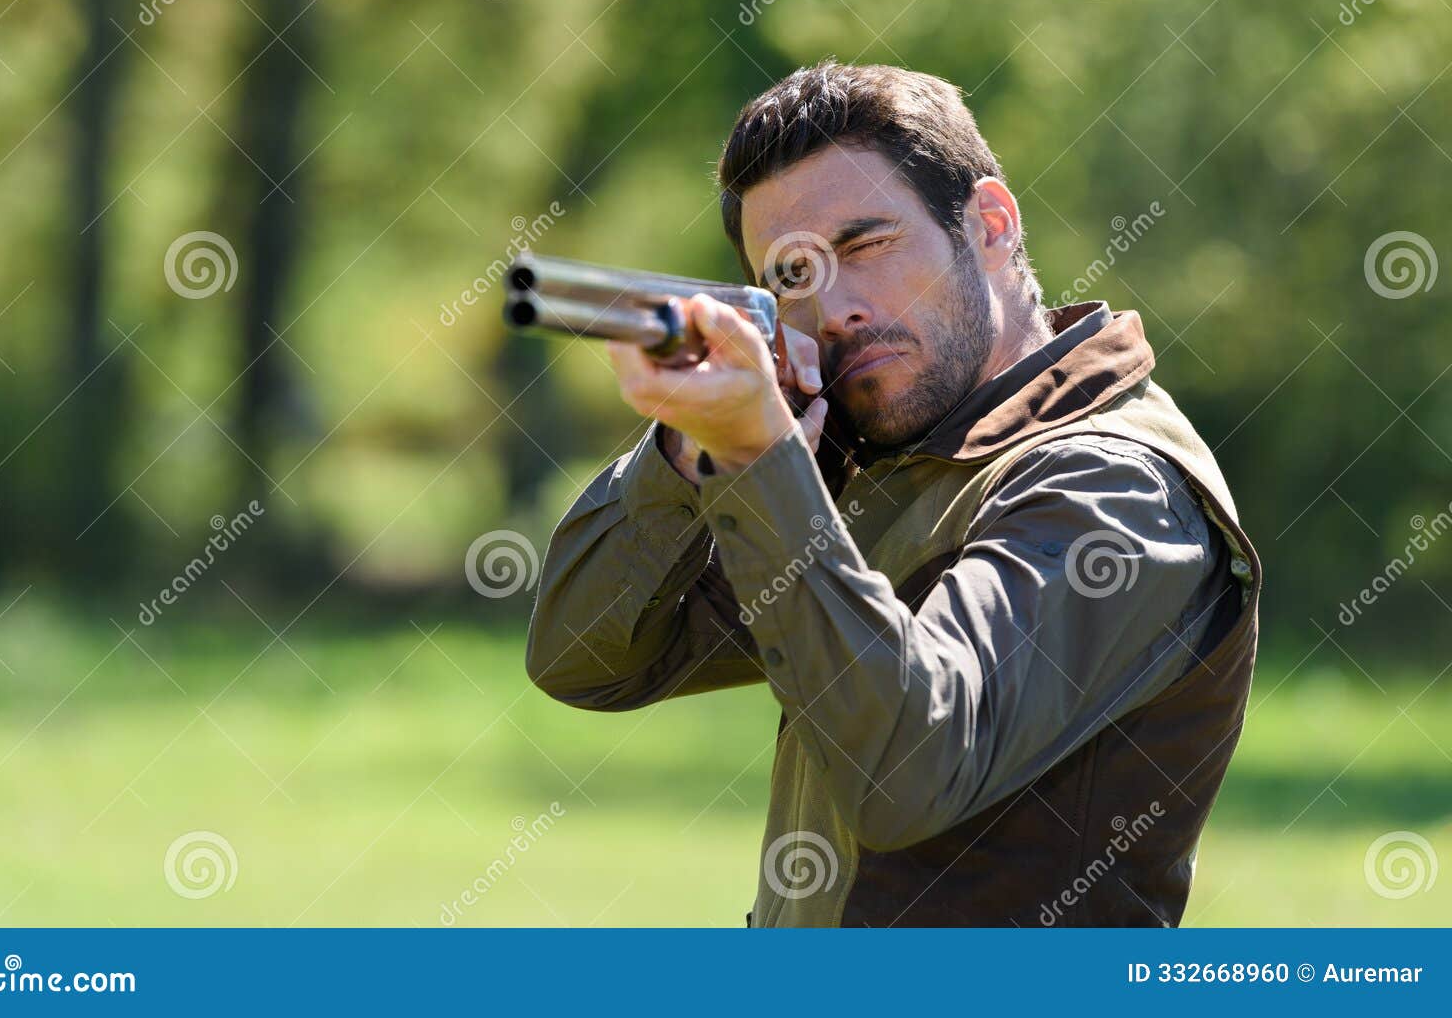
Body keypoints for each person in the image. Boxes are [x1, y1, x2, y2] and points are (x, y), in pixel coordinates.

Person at [524, 61, 1261, 927]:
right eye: (793, 276)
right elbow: (587, 660)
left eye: (868, 246)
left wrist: (761, 459)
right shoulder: (873, 463)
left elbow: (909, 771)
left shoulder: (1114, 485)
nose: (836, 308)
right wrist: (691, 454)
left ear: (989, 225)